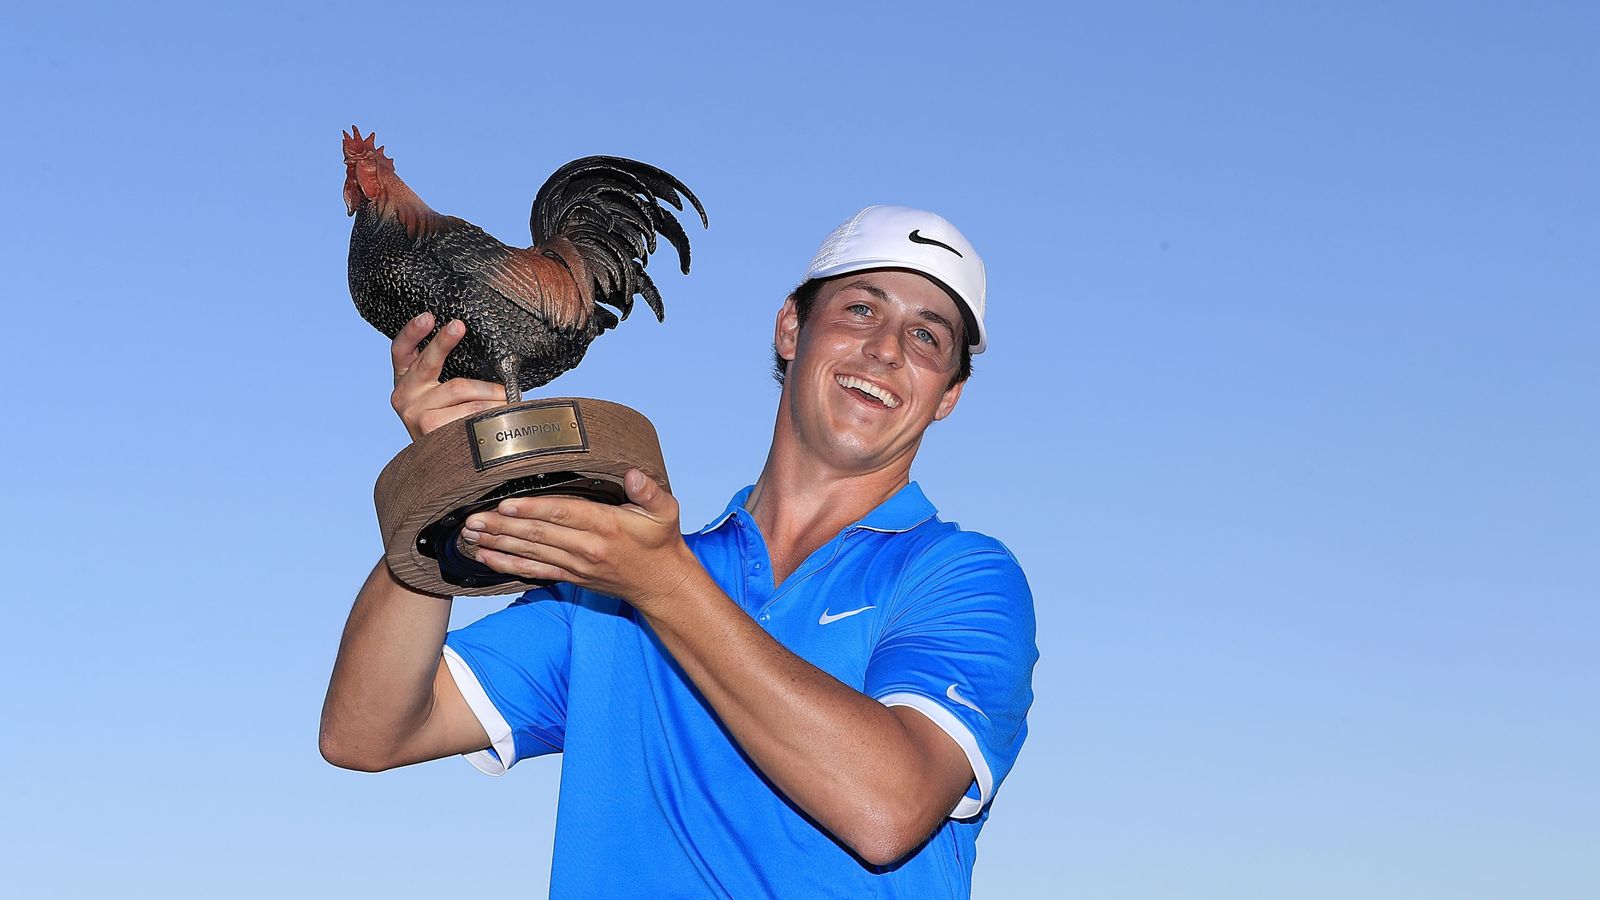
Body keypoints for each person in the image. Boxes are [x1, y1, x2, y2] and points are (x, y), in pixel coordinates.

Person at [321, 205, 1038, 898]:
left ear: (948, 395)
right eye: (861, 309)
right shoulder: (612, 574)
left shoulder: (962, 576)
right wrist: (445, 483)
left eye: (928, 337)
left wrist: (662, 584)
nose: (886, 348)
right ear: (791, 327)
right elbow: (367, 731)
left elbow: (888, 810)